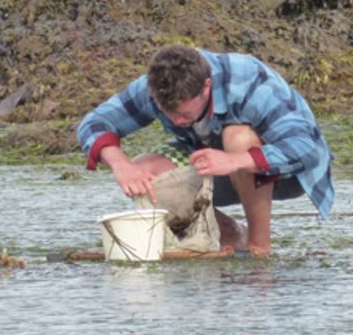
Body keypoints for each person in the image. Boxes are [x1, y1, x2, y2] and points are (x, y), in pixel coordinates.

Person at [76, 45, 335, 256]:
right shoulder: (151, 89)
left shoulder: (248, 81)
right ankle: (231, 234)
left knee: (238, 137)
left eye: (183, 113)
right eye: (168, 113)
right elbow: (93, 123)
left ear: (207, 87)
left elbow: (308, 148)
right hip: (213, 165)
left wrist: (237, 160)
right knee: (144, 168)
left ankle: (259, 247)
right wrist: (119, 163)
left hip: (286, 173)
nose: (176, 120)